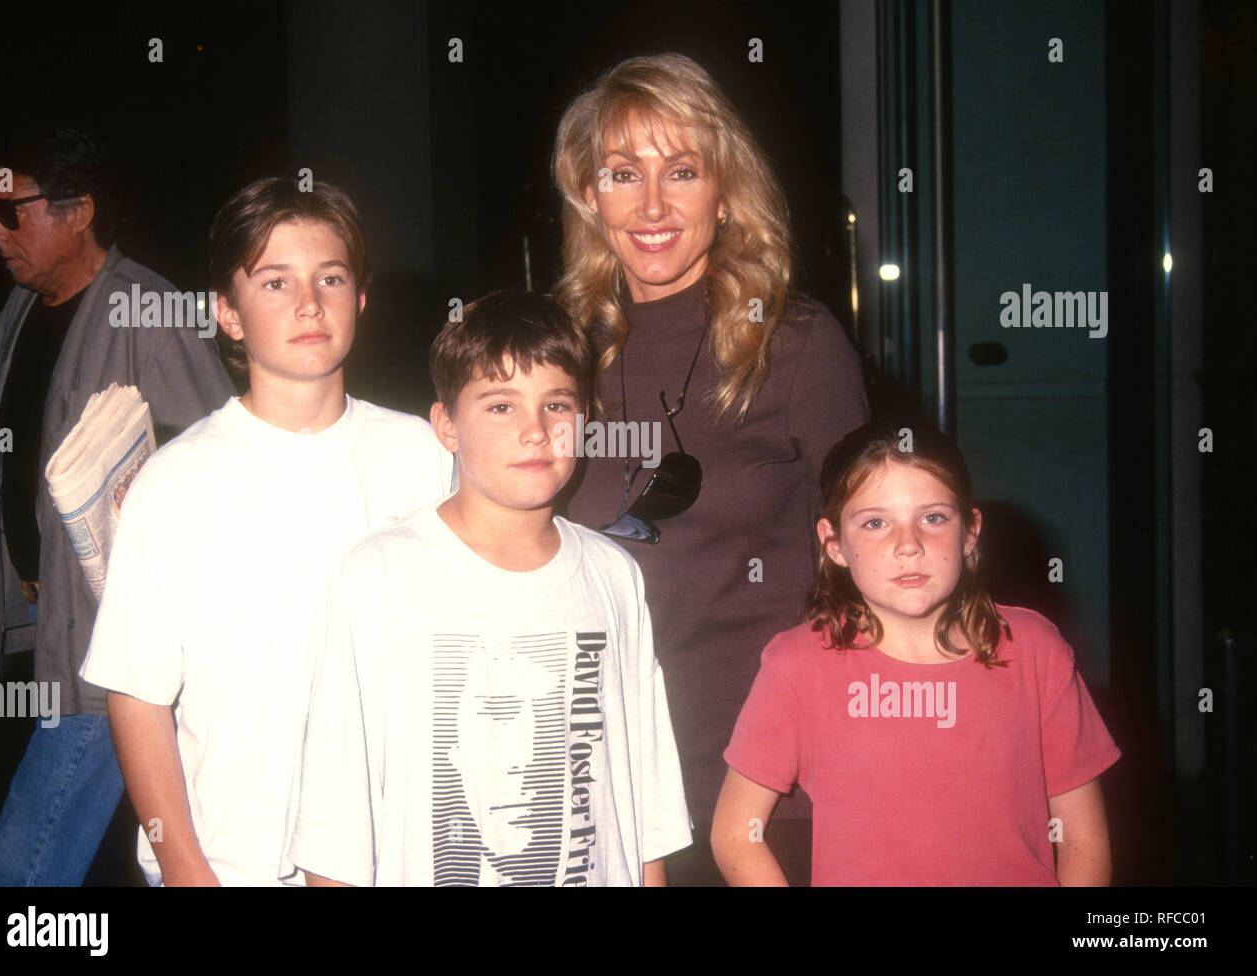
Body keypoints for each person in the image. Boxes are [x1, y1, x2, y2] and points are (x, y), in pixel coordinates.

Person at [79, 177, 453, 885]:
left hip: (395, 858)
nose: (309, 303)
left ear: (361, 298)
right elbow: (137, 694)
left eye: (331, 277)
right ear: (227, 311)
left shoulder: (428, 458)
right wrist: (185, 867)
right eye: (275, 282)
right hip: (231, 861)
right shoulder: (177, 480)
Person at [554, 53, 869, 882]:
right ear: (589, 194)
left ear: (724, 192)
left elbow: (870, 561)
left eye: (683, 171)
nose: (653, 205)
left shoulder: (795, 345)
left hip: (769, 790)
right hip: (604, 783)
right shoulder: (557, 356)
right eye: (624, 174)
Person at [283, 290, 691, 886]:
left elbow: (646, 803)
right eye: (501, 406)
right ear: (446, 425)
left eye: (557, 404)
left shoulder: (613, 574)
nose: (536, 431)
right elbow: (334, 822)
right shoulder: (379, 575)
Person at [0, 127, 232, 885]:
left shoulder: (151, 312)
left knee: (21, 866)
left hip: (115, 638)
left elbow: (219, 467)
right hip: (42, 621)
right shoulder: (20, 313)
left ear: (77, 212)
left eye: (8, 212)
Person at [711, 420, 1120, 885]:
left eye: (933, 518)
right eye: (876, 523)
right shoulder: (797, 665)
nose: (908, 545)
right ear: (834, 544)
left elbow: (1083, 841)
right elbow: (736, 835)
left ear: (970, 532)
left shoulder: (1035, 650)